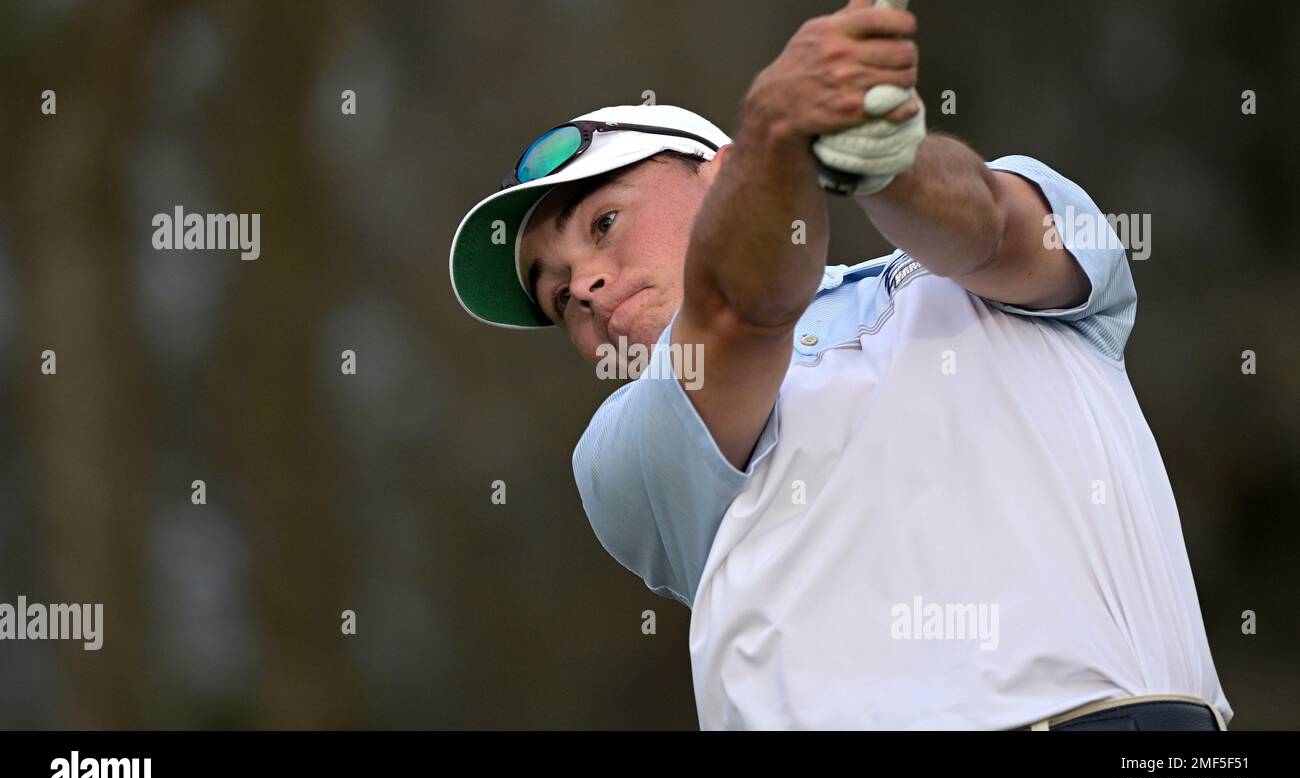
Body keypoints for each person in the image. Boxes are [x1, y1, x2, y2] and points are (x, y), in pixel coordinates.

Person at [448, 1, 1231, 730]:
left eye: (605, 222)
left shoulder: (972, 271)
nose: (581, 285)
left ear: (719, 175)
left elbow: (992, 226)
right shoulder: (620, 453)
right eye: (555, 297)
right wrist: (779, 134)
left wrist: (883, 159)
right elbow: (742, 311)